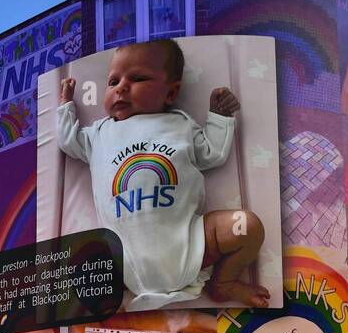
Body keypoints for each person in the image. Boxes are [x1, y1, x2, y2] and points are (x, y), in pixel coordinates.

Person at [57, 39, 268, 310]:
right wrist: (65, 105)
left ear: (171, 93)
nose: (121, 87)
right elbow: (68, 141)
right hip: (123, 258)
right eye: (113, 82)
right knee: (79, 260)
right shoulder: (99, 133)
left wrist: (219, 116)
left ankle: (224, 282)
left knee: (246, 226)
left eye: (138, 78)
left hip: (191, 243)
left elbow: (212, 153)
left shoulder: (180, 124)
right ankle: (114, 303)